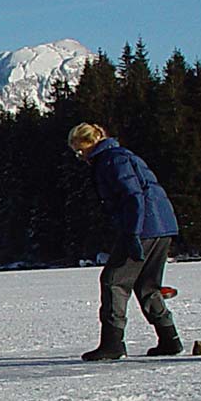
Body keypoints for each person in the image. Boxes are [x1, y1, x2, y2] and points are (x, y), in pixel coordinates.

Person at [68, 123, 183, 360]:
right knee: (146, 284)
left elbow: (133, 195)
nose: (80, 156)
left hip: (144, 226)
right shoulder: (120, 155)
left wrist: (132, 232)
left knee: (114, 281)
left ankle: (112, 343)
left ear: (94, 141)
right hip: (163, 225)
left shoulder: (111, 160)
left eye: (81, 149)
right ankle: (169, 339)